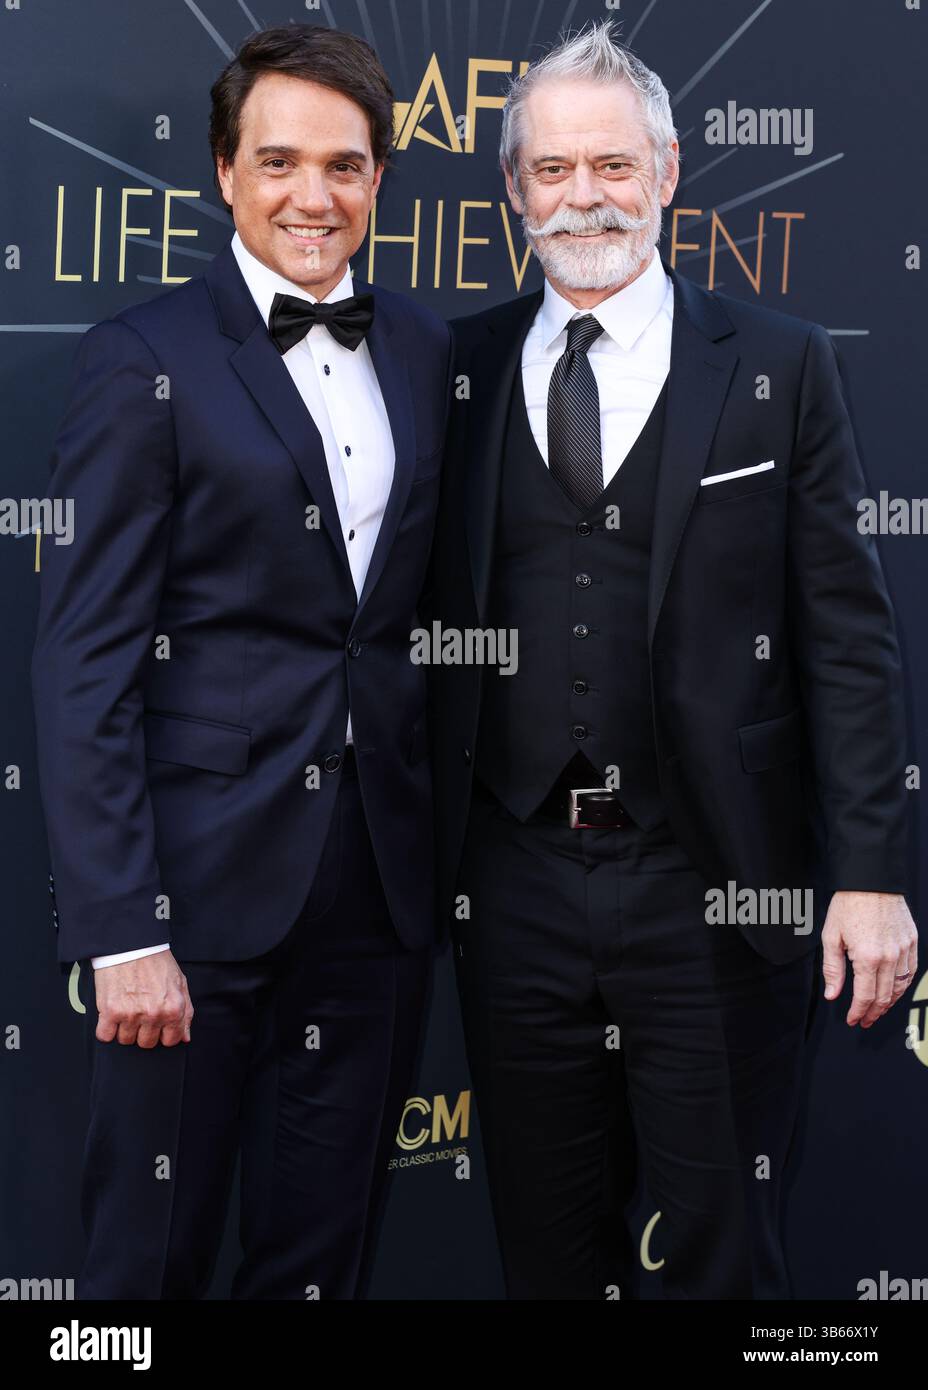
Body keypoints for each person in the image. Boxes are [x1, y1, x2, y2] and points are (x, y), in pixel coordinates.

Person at [427, 21, 916, 1299]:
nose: (581, 196)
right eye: (550, 171)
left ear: (666, 170)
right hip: (512, 879)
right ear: (513, 192)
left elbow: (847, 637)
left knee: (721, 1251)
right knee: (545, 1247)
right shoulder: (457, 369)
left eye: (610, 166)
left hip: (713, 882)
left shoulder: (776, 363)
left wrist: (867, 873)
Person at [31, 23, 450, 1300]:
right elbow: (82, 659)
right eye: (277, 161)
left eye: (342, 165)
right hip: (191, 903)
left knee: (321, 1256)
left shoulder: (429, 355)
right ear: (222, 171)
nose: (310, 197)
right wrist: (119, 930)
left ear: (379, 180)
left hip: (372, 897)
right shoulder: (142, 357)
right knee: (138, 1268)